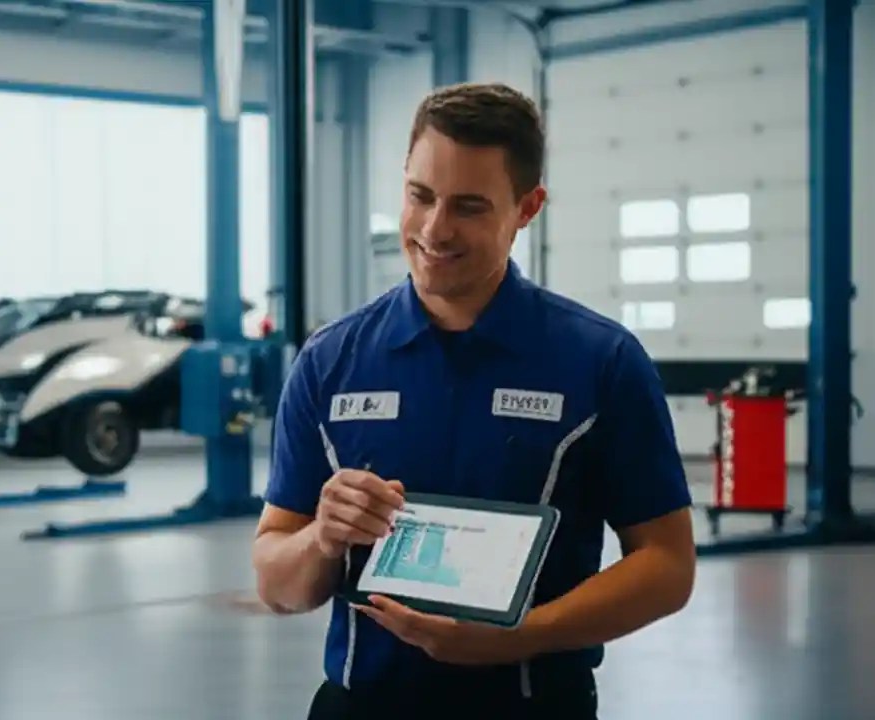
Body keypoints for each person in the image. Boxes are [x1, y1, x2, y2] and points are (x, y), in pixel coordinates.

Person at [251, 82, 696, 719]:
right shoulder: (330, 364)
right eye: (420, 196)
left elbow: (667, 564)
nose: (435, 229)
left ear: (527, 206)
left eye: (469, 206)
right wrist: (323, 535)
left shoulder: (601, 363)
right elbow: (276, 584)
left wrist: (526, 634)